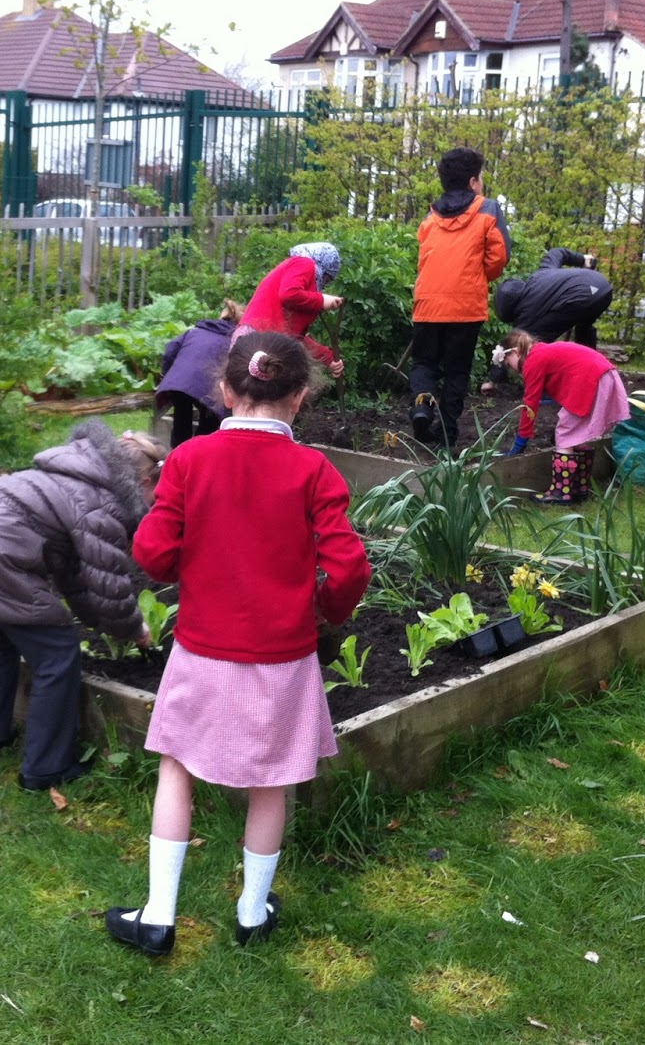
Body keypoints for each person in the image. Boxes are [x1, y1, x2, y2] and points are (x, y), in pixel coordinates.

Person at [106, 332, 371, 957]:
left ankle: (159, 916)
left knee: (177, 764)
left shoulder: (193, 460)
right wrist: (326, 611)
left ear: (225, 391)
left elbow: (152, 552)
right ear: (300, 398)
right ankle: (253, 913)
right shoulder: (314, 470)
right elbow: (350, 569)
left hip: (201, 649)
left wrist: (182, 565)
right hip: (283, 656)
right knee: (272, 781)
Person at [0, 422, 166, 791]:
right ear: (146, 482)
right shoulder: (102, 504)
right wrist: (134, 629)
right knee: (57, 653)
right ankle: (45, 769)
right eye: (158, 494)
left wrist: (95, 617)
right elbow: (110, 586)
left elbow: (72, 573)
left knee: (3, 642)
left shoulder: (71, 474)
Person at [411, 147, 509, 447]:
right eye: (480, 178)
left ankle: (422, 410)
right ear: (472, 182)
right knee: (457, 370)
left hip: (427, 304)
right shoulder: (488, 210)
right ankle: (447, 432)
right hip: (466, 307)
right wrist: (479, 278)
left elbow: (424, 259)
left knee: (424, 364)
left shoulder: (430, 216)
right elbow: (499, 257)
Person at [497, 329, 630, 504]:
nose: (512, 369)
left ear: (515, 352)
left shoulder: (533, 361)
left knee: (565, 433)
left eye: (508, 364)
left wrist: (521, 441)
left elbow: (529, 405)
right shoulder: (541, 352)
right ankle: (579, 488)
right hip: (602, 374)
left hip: (591, 379)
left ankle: (561, 492)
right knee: (578, 433)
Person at [237, 243, 345, 377]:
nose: (323, 284)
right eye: (326, 278)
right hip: (258, 338)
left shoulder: (294, 277)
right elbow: (289, 294)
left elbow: (296, 336)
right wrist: (321, 300)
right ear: (321, 267)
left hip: (258, 339)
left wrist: (328, 358)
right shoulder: (304, 263)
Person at [154, 301, 241, 449]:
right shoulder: (233, 341)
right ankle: (198, 457)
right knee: (209, 424)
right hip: (207, 387)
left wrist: (166, 374)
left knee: (181, 420)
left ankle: (177, 456)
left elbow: (169, 351)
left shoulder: (193, 332)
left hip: (179, 383)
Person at [492, 248, 612, 349]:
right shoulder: (541, 273)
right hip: (603, 287)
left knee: (540, 342)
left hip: (580, 298)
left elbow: (513, 344)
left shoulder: (525, 314)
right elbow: (556, 252)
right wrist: (582, 259)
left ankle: (557, 369)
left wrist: (498, 372)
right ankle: (594, 370)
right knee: (584, 328)